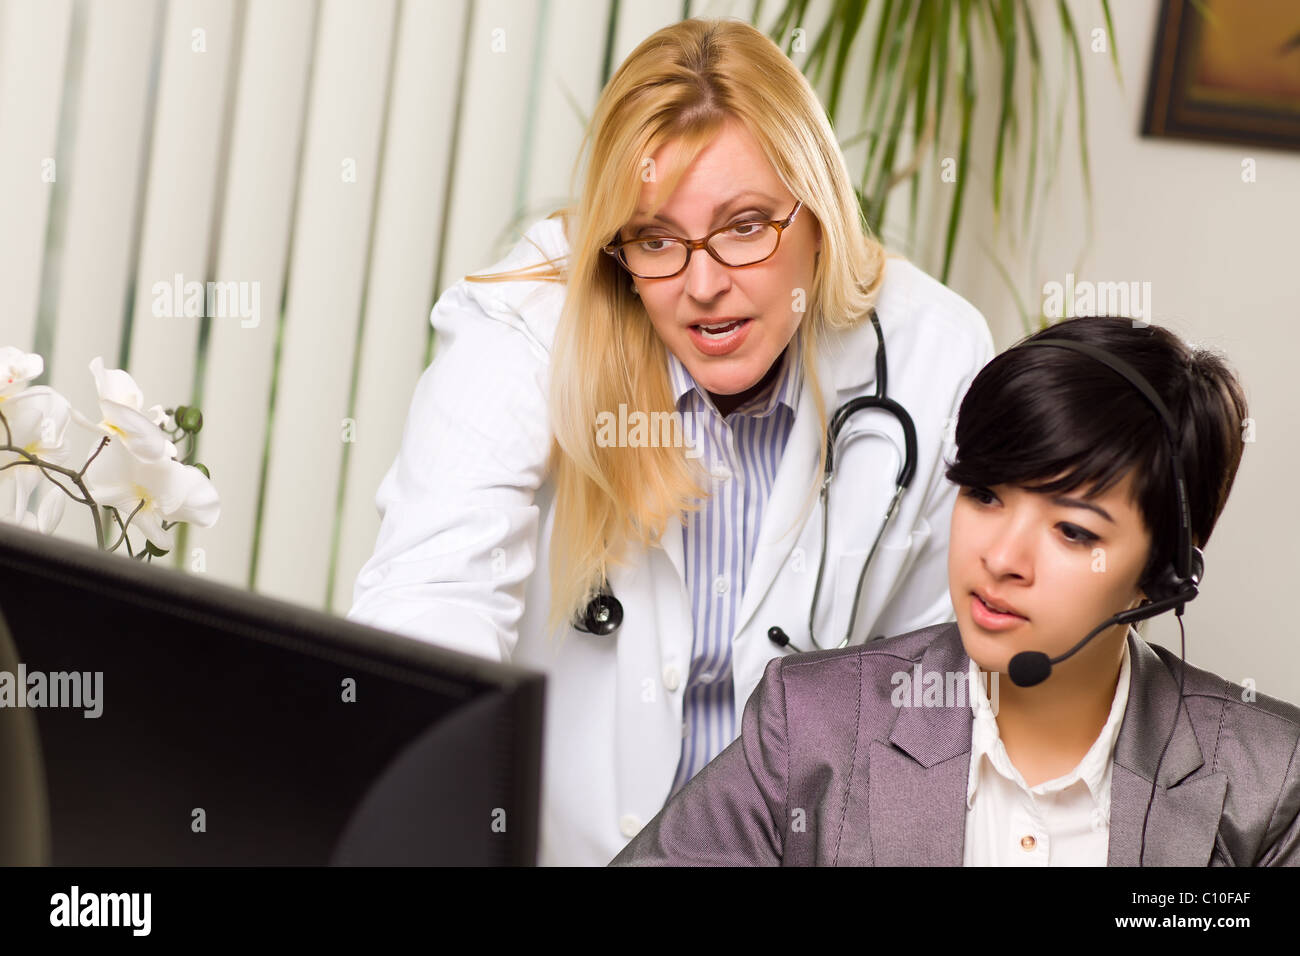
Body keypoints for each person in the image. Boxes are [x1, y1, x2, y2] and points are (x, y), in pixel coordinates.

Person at [347, 18, 993, 866]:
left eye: (746, 226)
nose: (703, 284)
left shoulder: (931, 355)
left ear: (819, 214)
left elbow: (935, 702)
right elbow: (430, 608)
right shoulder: (528, 321)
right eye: (656, 239)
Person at [611, 315, 1300, 867]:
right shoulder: (814, 726)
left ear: (1167, 574)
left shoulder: (1269, 781)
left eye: (1072, 532)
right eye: (984, 494)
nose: (1000, 557)